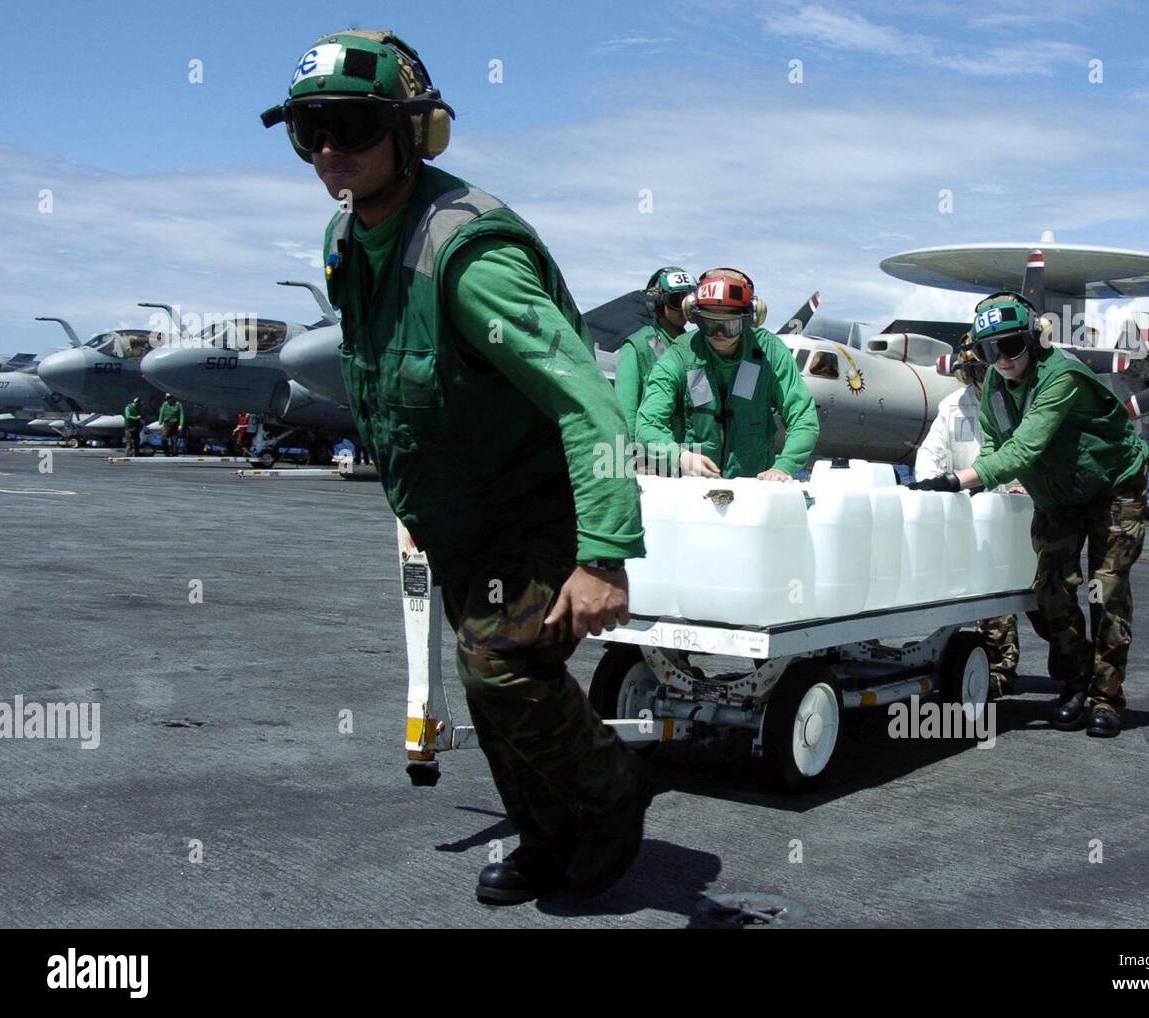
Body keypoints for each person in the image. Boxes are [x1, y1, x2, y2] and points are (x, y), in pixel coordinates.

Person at [262, 29, 651, 904]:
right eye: (308, 131)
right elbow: (390, 377)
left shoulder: (467, 255)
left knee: (503, 668)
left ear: (412, 132)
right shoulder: (348, 240)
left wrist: (602, 556)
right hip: (462, 515)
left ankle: (610, 794)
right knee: (495, 688)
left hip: (535, 505)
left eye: (352, 127)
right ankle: (547, 840)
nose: (329, 152)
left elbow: (586, 401)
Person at [909, 292, 1148, 738]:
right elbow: (997, 444)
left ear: (1034, 340)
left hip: (1113, 485)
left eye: (1010, 346)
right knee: (1050, 589)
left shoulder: (1062, 377)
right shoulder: (996, 385)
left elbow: (1024, 447)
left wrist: (960, 479)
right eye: (988, 351)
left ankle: (1106, 697)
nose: (1001, 360)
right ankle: (1076, 682)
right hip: (1058, 493)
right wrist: (966, 477)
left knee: (1107, 588)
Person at [635, 267, 819, 479]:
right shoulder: (681, 355)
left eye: (729, 325)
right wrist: (679, 457)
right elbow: (648, 423)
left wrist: (784, 466)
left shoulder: (770, 353)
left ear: (750, 319)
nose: (718, 334)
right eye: (709, 323)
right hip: (693, 486)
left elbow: (803, 416)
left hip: (754, 488)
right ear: (692, 315)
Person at [914, 335, 1021, 700]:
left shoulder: (1015, 403)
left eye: (980, 369)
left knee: (1042, 605)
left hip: (1008, 506)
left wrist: (1021, 487)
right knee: (979, 591)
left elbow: (1023, 452)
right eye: (969, 370)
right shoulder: (952, 406)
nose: (974, 378)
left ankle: (1073, 672)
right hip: (966, 509)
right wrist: (930, 486)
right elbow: (931, 453)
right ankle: (995, 671)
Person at [615, 267, 694, 443]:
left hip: (690, 454)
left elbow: (702, 402)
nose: (683, 307)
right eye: (676, 300)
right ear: (657, 302)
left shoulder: (695, 347)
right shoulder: (637, 346)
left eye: (688, 300)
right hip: (652, 455)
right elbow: (625, 410)